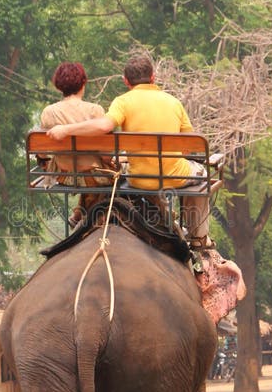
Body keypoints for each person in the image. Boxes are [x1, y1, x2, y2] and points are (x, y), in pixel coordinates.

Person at [46, 50, 214, 249]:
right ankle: (199, 240)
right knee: (203, 177)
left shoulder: (122, 102)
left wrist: (65, 130)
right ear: (153, 78)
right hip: (173, 176)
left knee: (121, 169)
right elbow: (188, 145)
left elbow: (103, 126)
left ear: (126, 81)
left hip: (138, 178)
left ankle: (85, 216)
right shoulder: (174, 102)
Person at [39, 61, 111, 227]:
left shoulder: (49, 112)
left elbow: (42, 152)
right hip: (94, 176)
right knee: (115, 176)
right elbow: (106, 155)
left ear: (58, 86)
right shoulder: (95, 110)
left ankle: (79, 212)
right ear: (83, 83)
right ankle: (83, 212)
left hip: (65, 175)